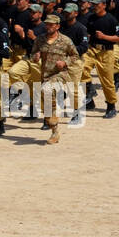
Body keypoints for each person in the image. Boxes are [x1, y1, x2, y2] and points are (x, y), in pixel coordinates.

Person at [34, 15, 80, 144]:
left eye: (51, 24)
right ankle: (55, 132)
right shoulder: (40, 40)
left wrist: (65, 62)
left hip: (60, 75)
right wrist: (35, 57)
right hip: (45, 75)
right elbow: (33, 53)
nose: (48, 26)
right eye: (47, 24)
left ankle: (56, 110)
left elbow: (75, 56)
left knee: (46, 89)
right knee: (46, 108)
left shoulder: (65, 41)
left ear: (58, 26)